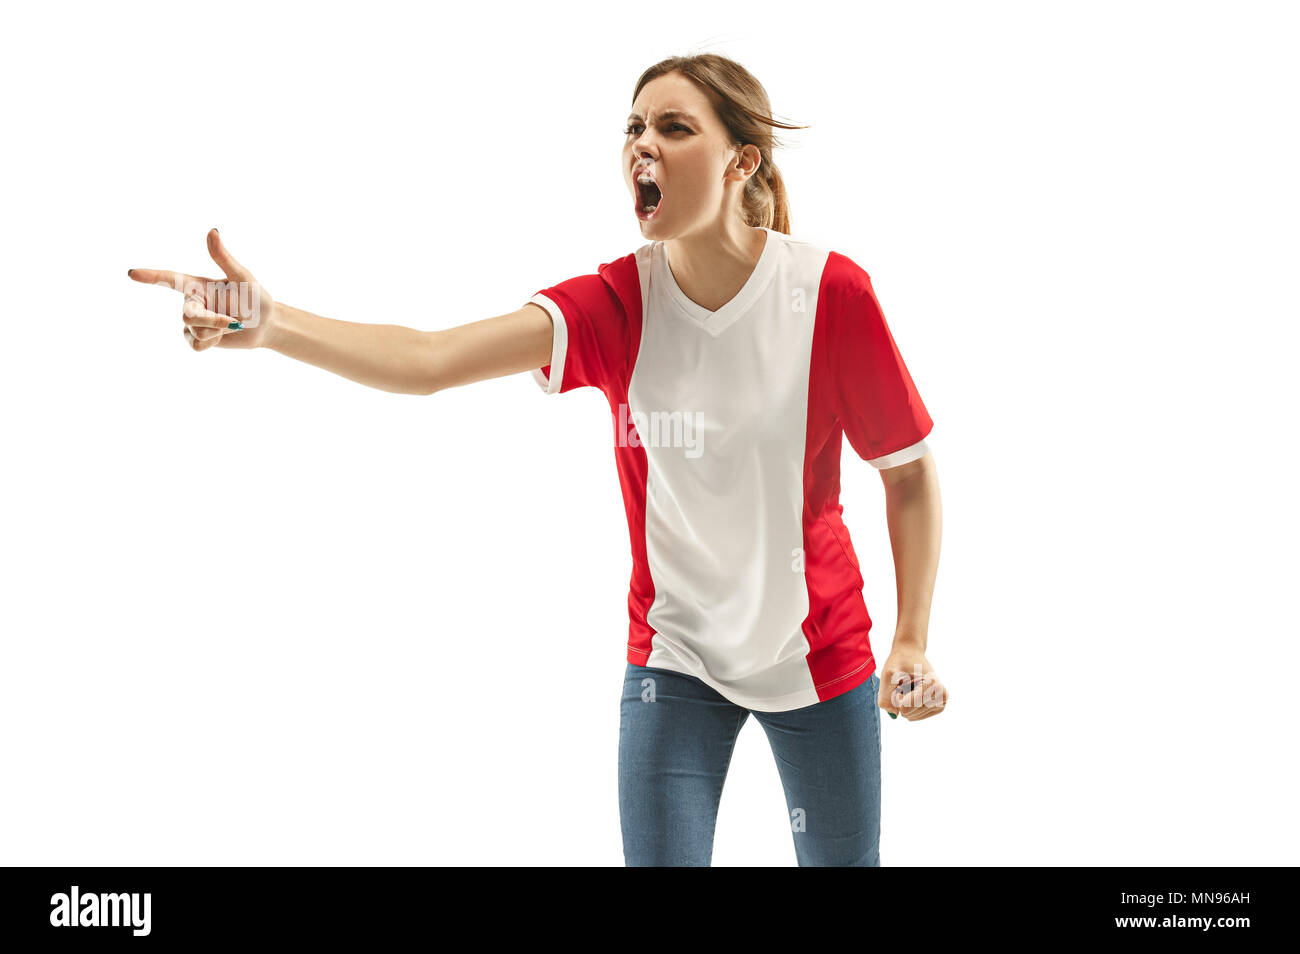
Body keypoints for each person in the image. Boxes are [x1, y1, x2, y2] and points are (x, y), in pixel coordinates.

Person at [128, 53, 949, 867]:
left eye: (674, 127)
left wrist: (909, 641)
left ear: (742, 161)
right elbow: (428, 360)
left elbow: (906, 472)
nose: (643, 146)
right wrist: (274, 326)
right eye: (634, 127)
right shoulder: (617, 304)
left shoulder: (827, 295)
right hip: (676, 657)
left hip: (818, 654)